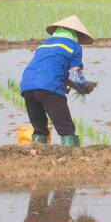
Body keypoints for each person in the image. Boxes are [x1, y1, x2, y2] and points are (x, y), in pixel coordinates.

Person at [17, 15, 96, 146]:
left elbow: (49, 68)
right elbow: (75, 76)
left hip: (27, 86)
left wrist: (66, 84)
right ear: (76, 34)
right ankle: (72, 158)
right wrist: (86, 86)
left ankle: (36, 156)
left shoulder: (45, 44)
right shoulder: (74, 46)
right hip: (49, 87)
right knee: (66, 129)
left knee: (40, 128)